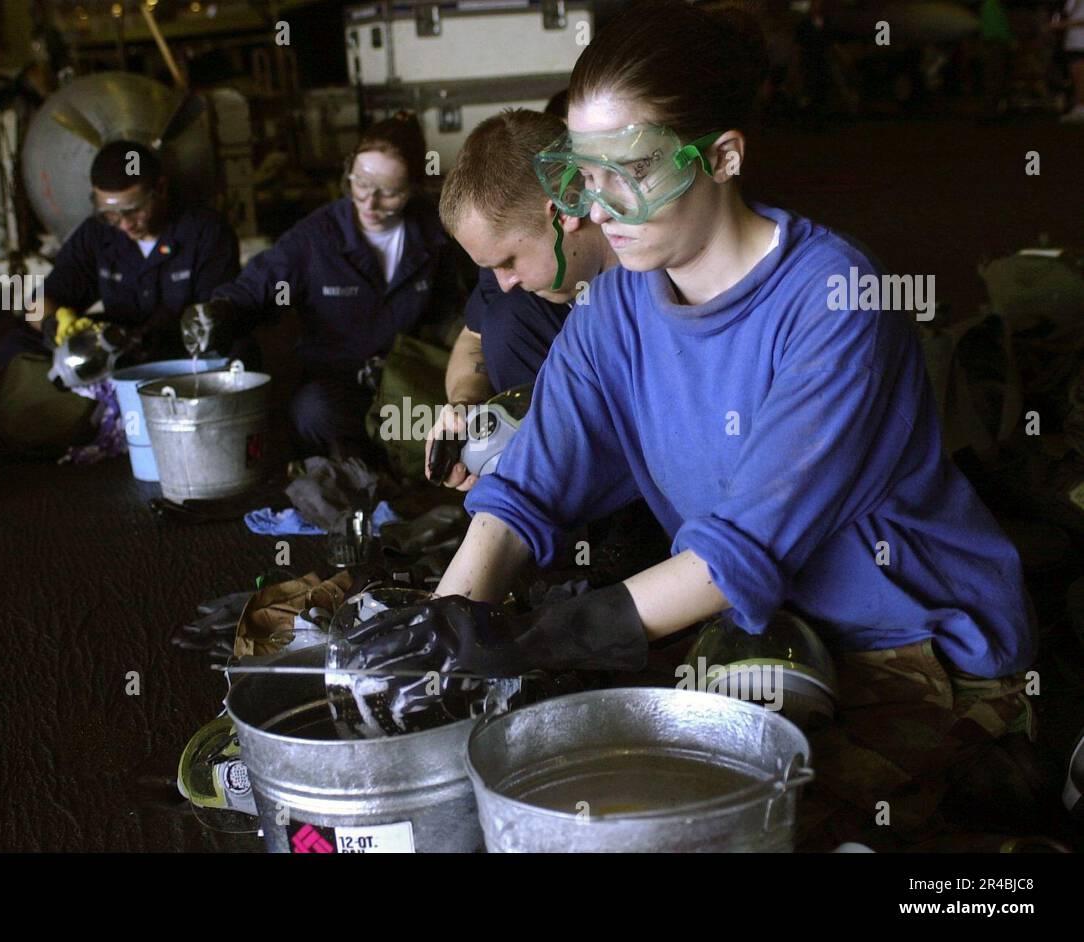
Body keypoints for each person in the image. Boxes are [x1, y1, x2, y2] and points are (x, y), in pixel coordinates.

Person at [345, 0, 1037, 849]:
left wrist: (539, 633)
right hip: (766, 629)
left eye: (629, 170)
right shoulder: (618, 304)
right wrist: (447, 625)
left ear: (723, 155)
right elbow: (532, 481)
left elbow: (735, 554)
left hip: (913, 644)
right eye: (582, 175)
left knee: (711, 833)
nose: (599, 209)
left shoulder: (833, 303)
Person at [195, 113, 464, 458]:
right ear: (348, 173)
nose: (370, 202)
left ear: (413, 187)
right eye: (361, 184)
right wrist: (220, 311)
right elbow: (258, 288)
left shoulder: (432, 236)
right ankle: (361, 475)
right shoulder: (316, 238)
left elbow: (452, 310)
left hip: (407, 382)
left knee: (452, 427)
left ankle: (406, 469)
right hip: (340, 388)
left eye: (389, 193)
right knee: (312, 412)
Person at [0, 140, 240, 454]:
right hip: (114, 351)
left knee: (235, 356)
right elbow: (40, 303)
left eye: (133, 210)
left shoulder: (205, 231)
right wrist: (57, 323)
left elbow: (216, 321)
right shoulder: (98, 232)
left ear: (160, 189)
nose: (124, 224)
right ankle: (62, 426)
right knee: (16, 342)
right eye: (110, 214)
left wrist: (148, 341)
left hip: (176, 355)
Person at [426, 109, 618, 490]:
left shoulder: (654, 267)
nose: (505, 281)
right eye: (492, 266)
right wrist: (466, 409)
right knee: (504, 322)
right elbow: (473, 341)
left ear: (564, 212)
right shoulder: (514, 266)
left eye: (508, 262)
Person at [1054, 0, 1084, 121]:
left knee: (1081, 76)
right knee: (1075, 76)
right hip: (1072, 42)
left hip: (1082, 42)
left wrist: (1063, 24)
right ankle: (1079, 106)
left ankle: (1081, 108)